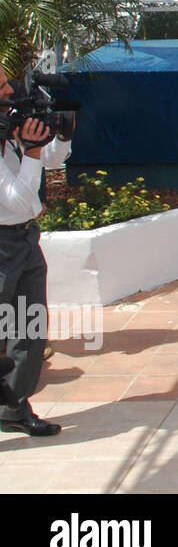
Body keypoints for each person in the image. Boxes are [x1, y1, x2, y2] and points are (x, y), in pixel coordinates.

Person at [0, 64, 73, 437]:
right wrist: (29, 152)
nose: (10, 91)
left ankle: (15, 407)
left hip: (26, 240)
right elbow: (13, 200)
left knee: (28, 329)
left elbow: (52, 161)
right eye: (1, 86)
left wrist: (60, 138)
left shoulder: (11, 130)